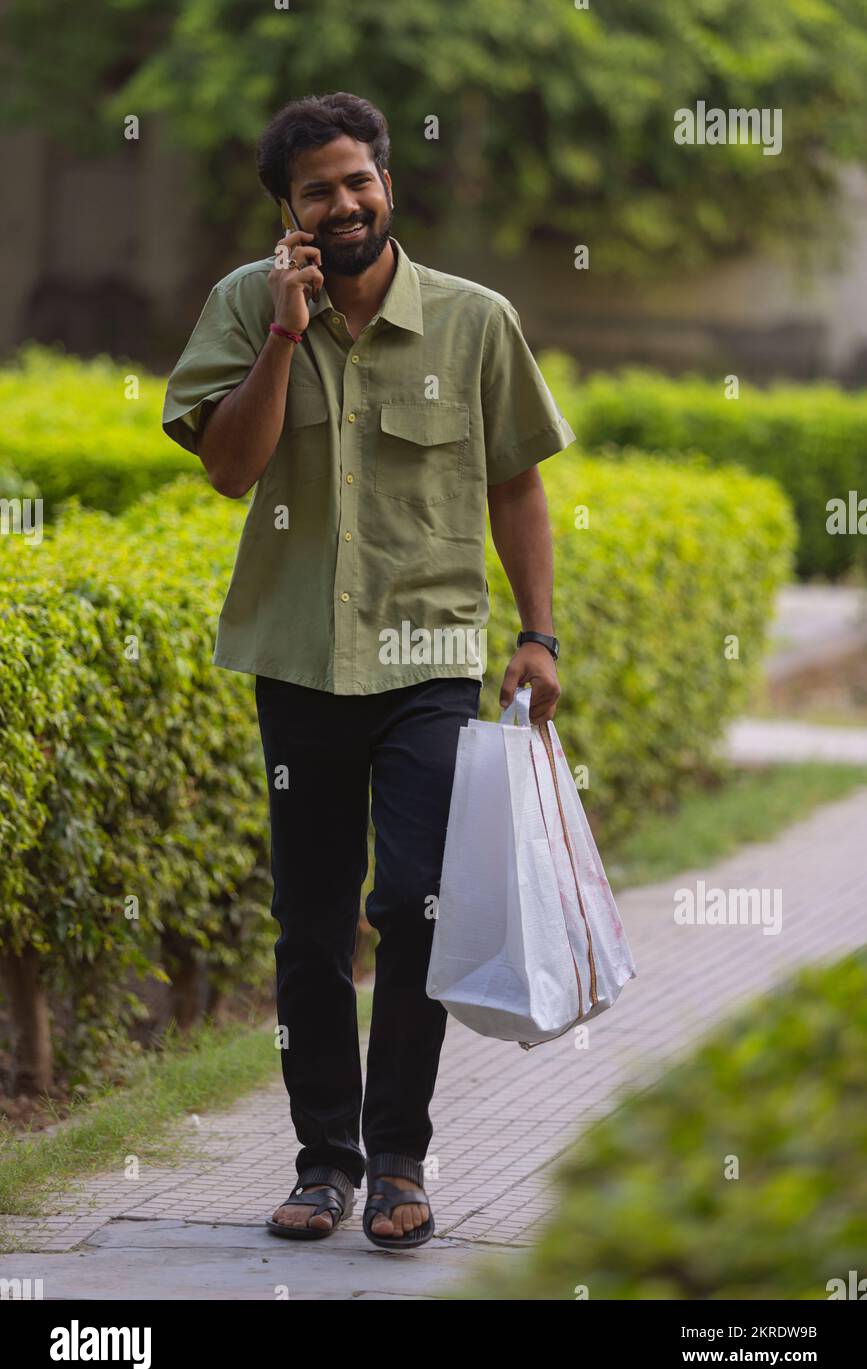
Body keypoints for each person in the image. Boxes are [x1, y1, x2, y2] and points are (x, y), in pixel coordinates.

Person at [161, 91, 575, 1250]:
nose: (344, 203)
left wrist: (539, 634)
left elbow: (516, 484)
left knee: (413, 903)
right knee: (309, 924)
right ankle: (322, 1164)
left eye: (358, 180)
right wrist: (285, 333)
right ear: (285, 213)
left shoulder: (473, 320)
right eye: (316, 190)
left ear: (388, 181)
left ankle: (399, 1158)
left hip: (428, 658)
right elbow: (231, 472)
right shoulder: (246, 308)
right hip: (297, 661)